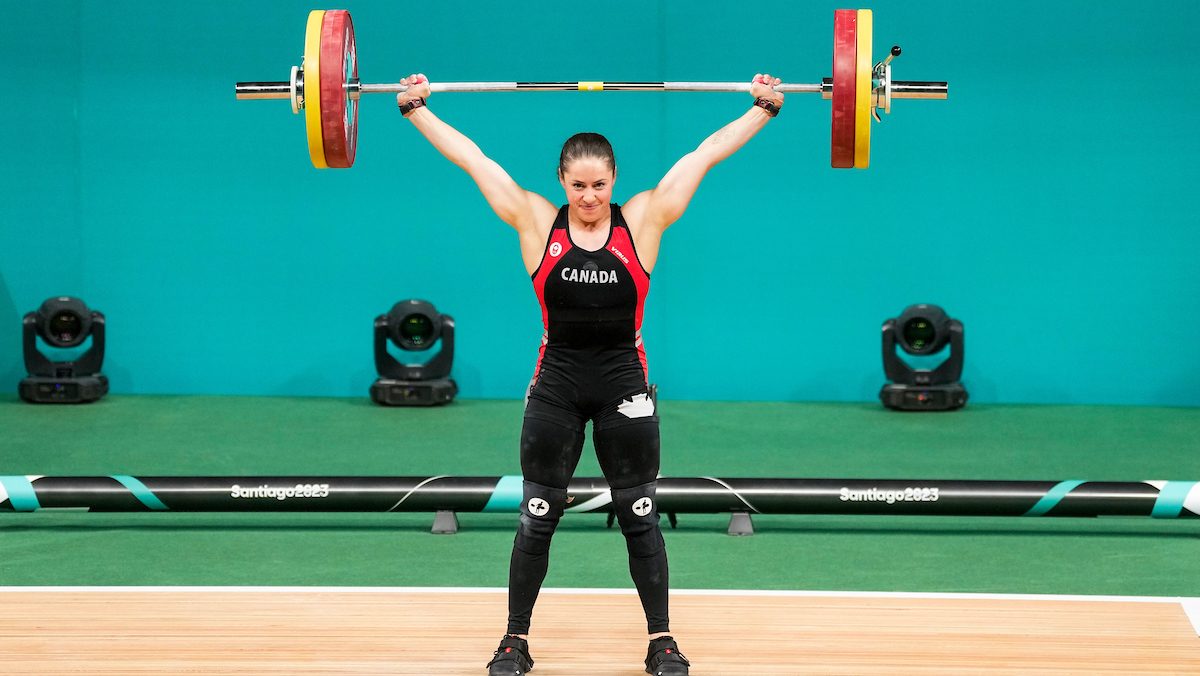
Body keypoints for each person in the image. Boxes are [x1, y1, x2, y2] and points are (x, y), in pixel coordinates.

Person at [395, 72, 784, 676]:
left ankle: (662, 642)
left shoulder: (644, 222)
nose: (588, 197)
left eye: (598, 185)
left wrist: (763, 109)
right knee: (538, 514)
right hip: (556, 383)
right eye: (577, 185)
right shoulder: (535, 223)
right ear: (562, 183)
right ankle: (513, 642)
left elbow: (704, 154)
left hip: (623, 385)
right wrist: (415, 110)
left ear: (614, 181)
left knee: (638, 513)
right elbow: (474, 160)